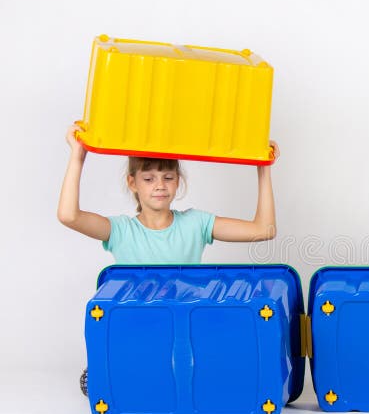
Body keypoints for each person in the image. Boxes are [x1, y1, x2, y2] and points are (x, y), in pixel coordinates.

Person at [57, 122, 281, 394]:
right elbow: (69, 215)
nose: (159, 186)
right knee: (117, 379)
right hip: (139, 330)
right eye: (149, 179)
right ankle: (129, 370)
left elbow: (263, 230)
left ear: (178, 181)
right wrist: (78, 155)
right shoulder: (120, 229)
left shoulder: (195, 223)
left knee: (220, 362)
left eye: (168, 178)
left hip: (185, 331)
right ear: (133, 183)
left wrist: (263, 169)